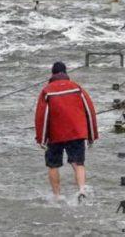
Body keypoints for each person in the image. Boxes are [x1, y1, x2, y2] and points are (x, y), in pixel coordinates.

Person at [34, 61, 98, 203]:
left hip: (55, 135)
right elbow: (90, 111)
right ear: (66, 73)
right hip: (76, 132)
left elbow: (42, 116)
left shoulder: (47, 91)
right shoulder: (77, 88)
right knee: (78, 163)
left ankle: (57, 196)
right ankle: (82, 189)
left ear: (52, 74)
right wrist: (92, 136)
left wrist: (41, 139)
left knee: (53, 165)